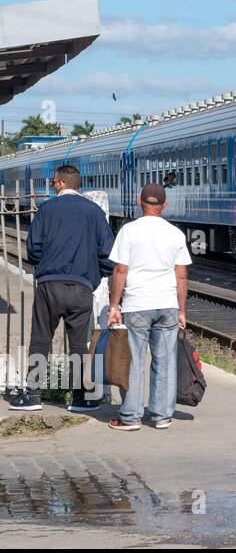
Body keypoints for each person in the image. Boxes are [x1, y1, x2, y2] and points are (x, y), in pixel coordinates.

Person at [7, 165, 114, 413]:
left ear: (61, 183)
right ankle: (79, 398)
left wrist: (48, 264)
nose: (53, 186)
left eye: (54, 182)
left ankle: (33, 395)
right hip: (82, 288)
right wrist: (93, 278)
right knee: (78, 344)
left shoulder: (46, 209)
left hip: (49, 286)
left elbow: (33, 250)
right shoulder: (95, 212)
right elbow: (108, 256)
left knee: (41, 339)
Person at [105, 183, 192, 431]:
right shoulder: (175, 233)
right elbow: (182, 275)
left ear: (138, 201)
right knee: (164, 362)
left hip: (137, 304)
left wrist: (114, 305)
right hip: (167, 305)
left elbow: (121, 270)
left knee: (133, 362)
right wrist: (182, 311)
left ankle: (131, 417)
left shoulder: (129, 231)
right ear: (165, 204)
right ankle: (162, 416)